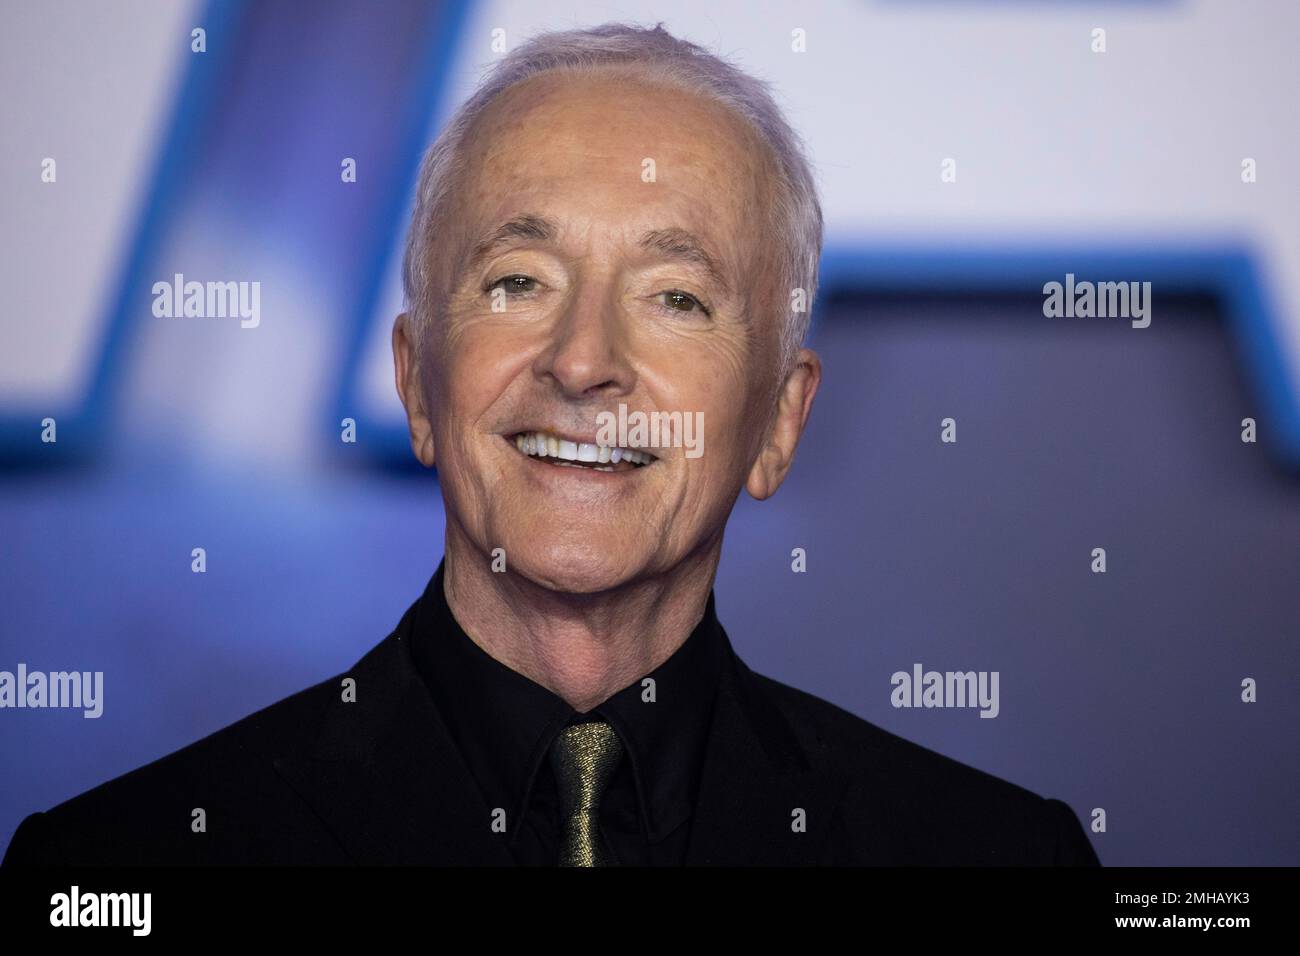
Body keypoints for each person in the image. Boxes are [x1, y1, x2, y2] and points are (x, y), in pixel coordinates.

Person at [2, 22, 1099, 867]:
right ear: (415, 383)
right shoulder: (120, 866)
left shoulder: (993, 859)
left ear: (778, 423)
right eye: (517, 282)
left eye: (676, 297)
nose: (582, 362)